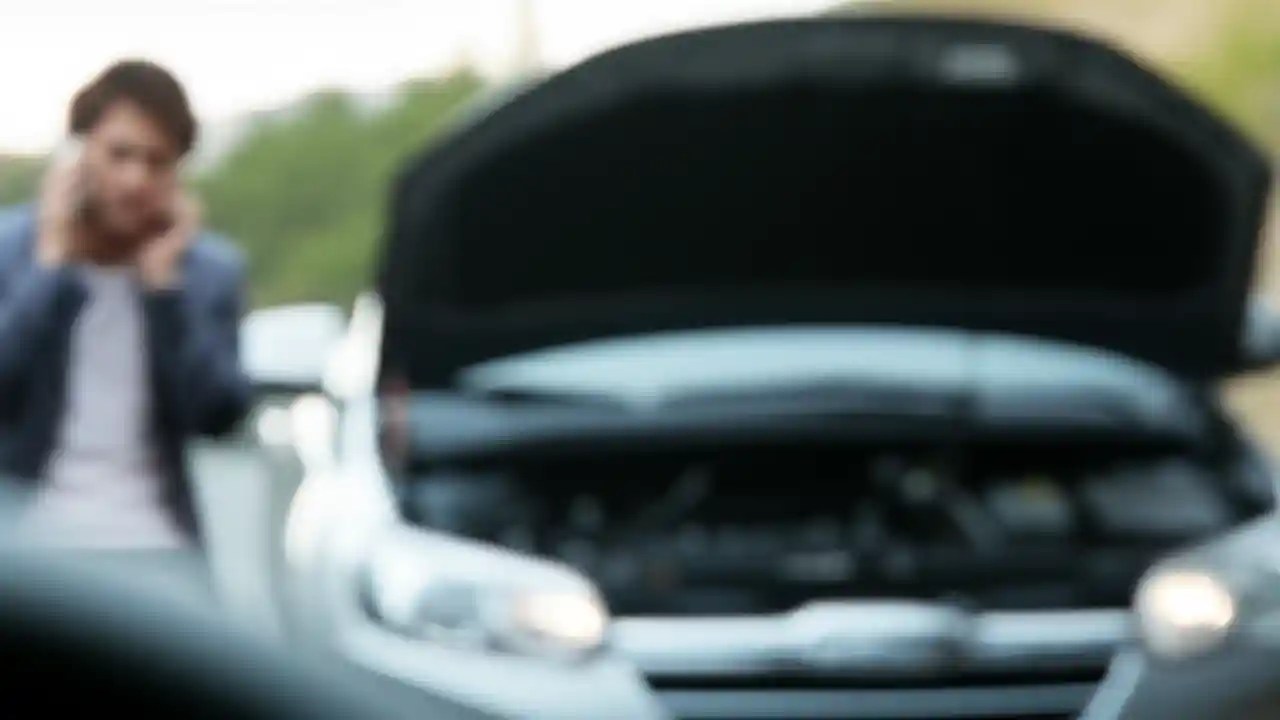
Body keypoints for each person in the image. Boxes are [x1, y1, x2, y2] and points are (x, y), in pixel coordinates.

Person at [0, 60, 251, 552]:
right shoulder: (13, 252)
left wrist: (165, 294)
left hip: (156, 544)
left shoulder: (206, 272)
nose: (135, 179)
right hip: (24, 547)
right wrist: (51, 269)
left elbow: (219, 415)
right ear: (78, 154)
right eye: (119, 154)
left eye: (156, 161)